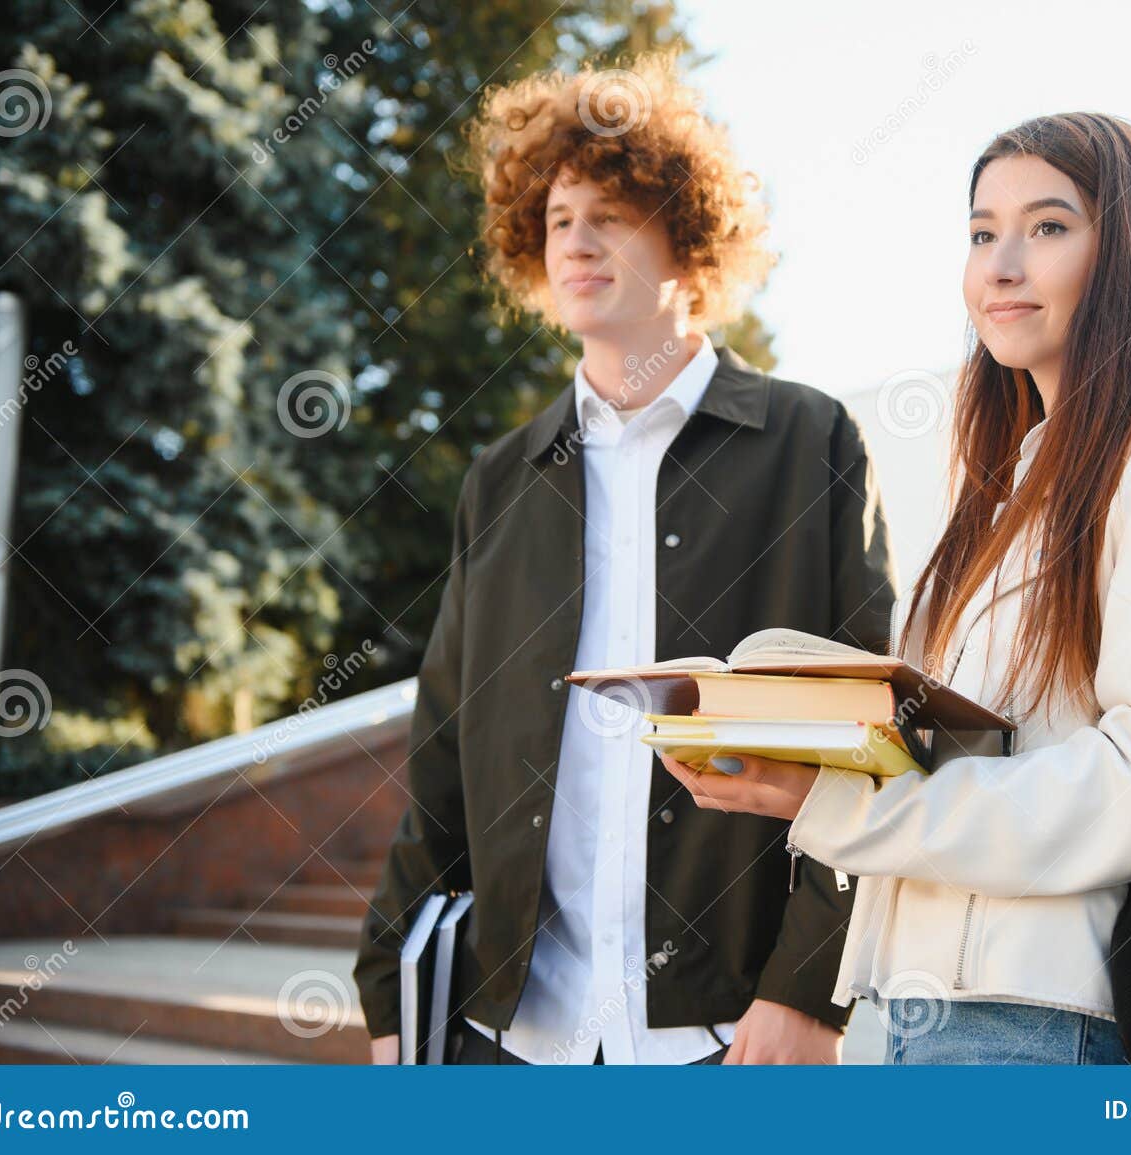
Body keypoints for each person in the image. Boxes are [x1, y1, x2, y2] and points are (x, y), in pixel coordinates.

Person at [662, 112, 1131, 1065]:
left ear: (1130, 256)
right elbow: (990, 744)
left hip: (1061, 1024)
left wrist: (843, 807)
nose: (1000, 264)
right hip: (944, 1014)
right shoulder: (1012, 492)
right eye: (980, 231)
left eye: (1048, 227)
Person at [354, 53, 896, 1065]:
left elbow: (868, 734)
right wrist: (391, 998)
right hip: (507, 1037)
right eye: (558, 218)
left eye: (612, 213)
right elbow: (441, 753)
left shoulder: (807, 441)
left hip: (724, 1037)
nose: (578, 240)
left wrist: (808, 990)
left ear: (685, 238)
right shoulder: (502, 478)